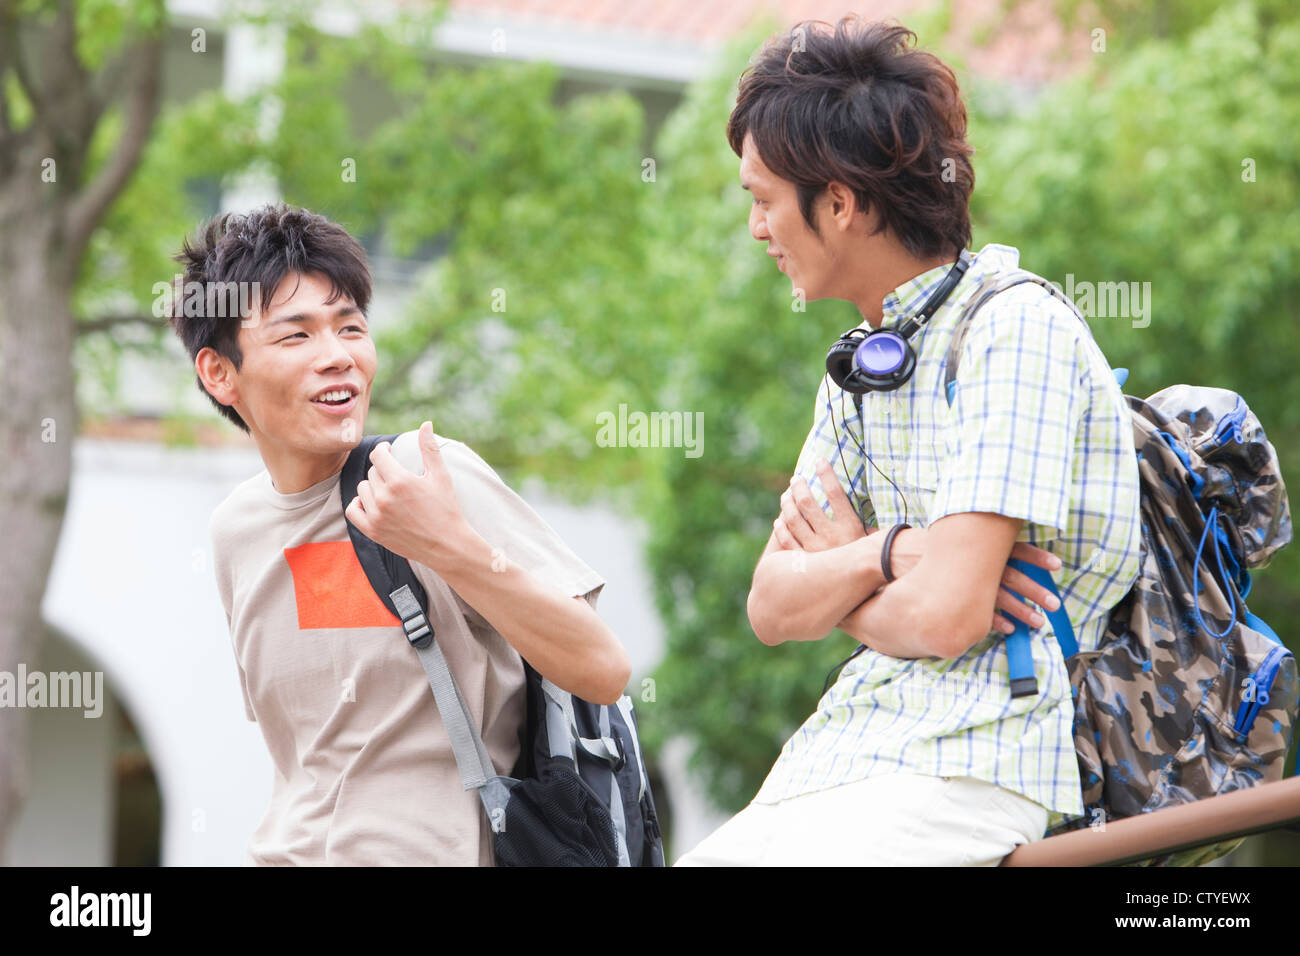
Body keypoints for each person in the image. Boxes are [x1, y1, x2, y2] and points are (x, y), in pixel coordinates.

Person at [675, 16, 1142, 866]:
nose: (756, 229)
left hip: (986, 758)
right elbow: (773, 608)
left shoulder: (1014, 331)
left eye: (763, 199)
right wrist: (888, 552)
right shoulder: (859, 365)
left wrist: (852, 577)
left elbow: (951, 614)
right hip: (843, 756)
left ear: (842, 204)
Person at [172, 203, 631, 865]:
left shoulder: (427, 474)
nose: (337, 358)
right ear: (219, 372)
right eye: (296, 336)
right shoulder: (235, 532)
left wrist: (447, 544)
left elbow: (603, 668)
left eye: (350, 328)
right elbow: (312, 753)